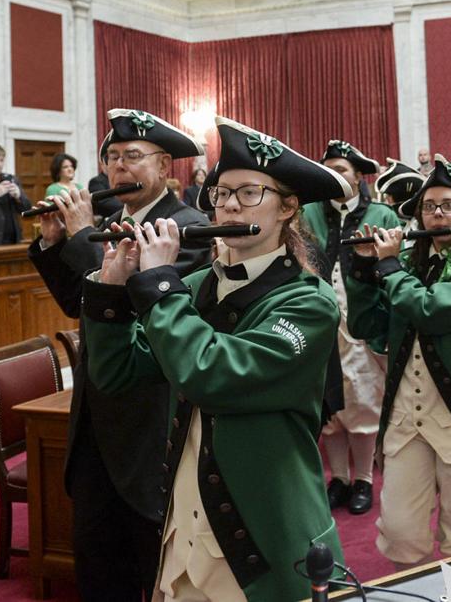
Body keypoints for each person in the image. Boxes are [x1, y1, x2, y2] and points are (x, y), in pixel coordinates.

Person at [84, 117, 349, 600]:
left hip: (260, 535)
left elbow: (212, 373)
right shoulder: (195, 288)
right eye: (221, 192)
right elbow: (117, 373)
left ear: (288, 208)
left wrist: (159, 285)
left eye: (249, 193)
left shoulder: (307, 302)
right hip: (180, 531)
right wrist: (111, 293)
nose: (227, 204)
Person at [28, 109, 209, 602]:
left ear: (165, 165)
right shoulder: (109, 223)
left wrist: (85, 235)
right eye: (111, 158)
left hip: (148, 419)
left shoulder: (187, 230)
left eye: (133, 157)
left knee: (146, 562)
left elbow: (134, 307)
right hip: (93, 419)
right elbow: (79, 304)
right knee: (97, 560)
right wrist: (53, 243)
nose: (119, 170)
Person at [345, 156, 451, 569]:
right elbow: (366, 325)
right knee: (402, 533)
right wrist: (364, 271)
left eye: (448, 205)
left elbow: (432, 310)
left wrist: (387, 268)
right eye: (429, 206)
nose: (437, 214)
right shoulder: (406, 266)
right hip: (407, 424)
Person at [302, 140, 399, 516]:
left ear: (358, 176)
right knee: (329, 411)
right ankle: (338, 478)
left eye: (341, 169)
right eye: (329, 169)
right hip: (320, 328)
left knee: (362, 405)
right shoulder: (308, 212)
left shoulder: (381, 214)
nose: (335, 176)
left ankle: (364, 479)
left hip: (361, 328)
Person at [89, 131, 124, 218]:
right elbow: (106, 203)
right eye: (113, 159)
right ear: (102, 164)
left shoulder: (122, 178)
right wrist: (129, 206)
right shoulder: (96, 181)